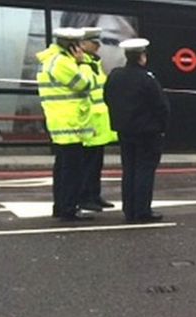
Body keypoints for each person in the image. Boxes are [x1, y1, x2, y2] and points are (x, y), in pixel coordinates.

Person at [104, 38, 169, 223]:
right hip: (148, 132)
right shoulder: (147, 78)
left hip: (124, 130)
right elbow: (161, 106)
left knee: (129, 169)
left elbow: (107, 97)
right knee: (144, 171)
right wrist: (162, 127)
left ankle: (129, 210)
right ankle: (142, 211)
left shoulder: (115, 75)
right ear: (142, 56)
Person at [36, 27, 96, 221]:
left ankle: (61, 206)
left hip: (60, 122)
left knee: (62, 168)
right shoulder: (63, 62)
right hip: (70, 123)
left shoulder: (51, 60)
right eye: (78, 44)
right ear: (72, 46)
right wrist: (83, 63)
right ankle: (69, 209)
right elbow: (85, 84)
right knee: (71, 170)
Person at [76, 28, 118, 212]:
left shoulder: (94, 63)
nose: (98, 45)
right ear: (83, 44)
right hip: (87, 121)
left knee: (96, 163)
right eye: (94, 42)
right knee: (87, 164)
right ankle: (85, 197)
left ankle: (94, 195)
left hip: (98, 122)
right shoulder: (80, 63)